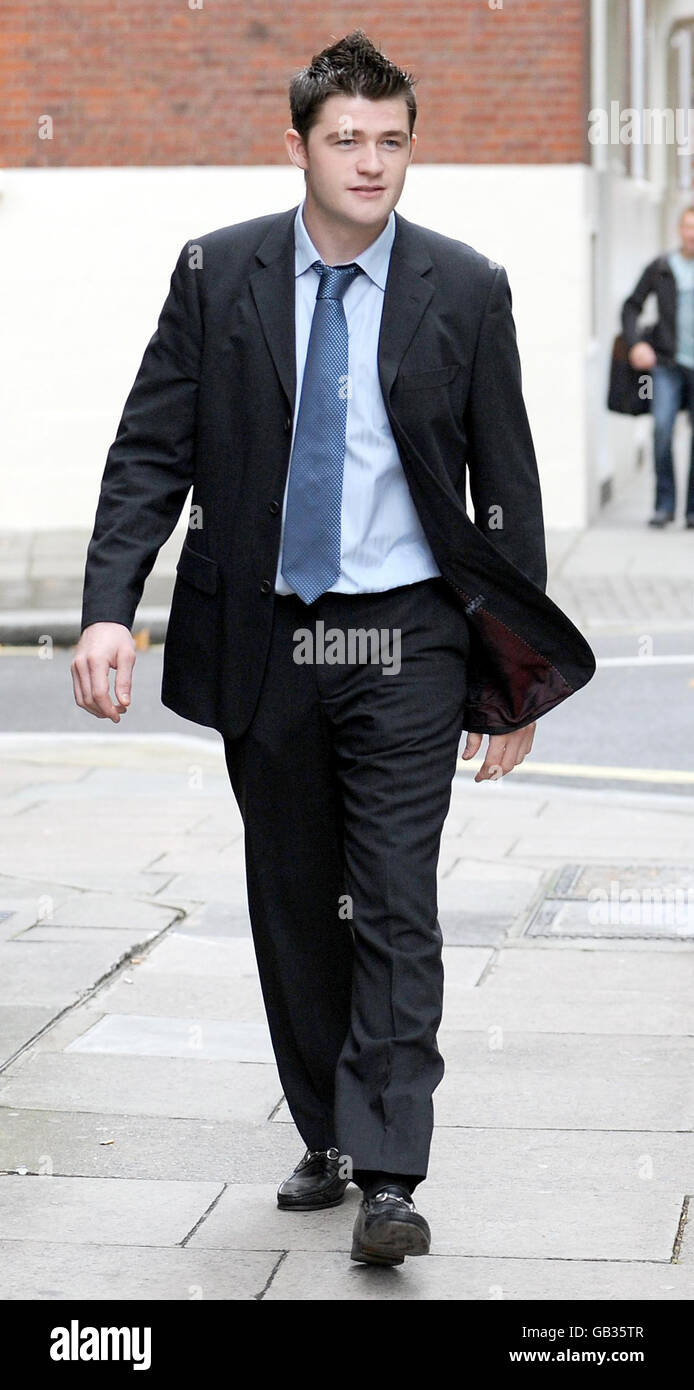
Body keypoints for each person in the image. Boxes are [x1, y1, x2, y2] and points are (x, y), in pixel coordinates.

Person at [71, 30, 595, 1267]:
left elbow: (503, 489)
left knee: (396, 900)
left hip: (407, 635)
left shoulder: (464, 286)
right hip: (270, 634)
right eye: (346, 139)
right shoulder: (220, 273)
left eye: (391, 140)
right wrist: (107, 605)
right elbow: (151, 447)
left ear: (411, 147)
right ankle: (330, 1130)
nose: (371, 162)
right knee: (299, 903)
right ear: (298, 143)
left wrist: (511, 669)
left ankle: (395, 1171)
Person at [622, 205, 694, 528]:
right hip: (666, 364)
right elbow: (631, 305)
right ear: (679, 230)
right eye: (688, 226)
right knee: (662, 429)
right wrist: (636, 343)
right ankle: (664, 505)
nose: (692, 233)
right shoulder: (662, 267)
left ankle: (692, 510)